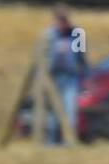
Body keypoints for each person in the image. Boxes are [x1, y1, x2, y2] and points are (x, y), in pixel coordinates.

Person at [43, 5, 88, 144]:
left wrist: (85, 75)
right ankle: (50, 143)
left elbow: (81, 57)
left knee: (70, 110)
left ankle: (68, 142)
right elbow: (42, 56)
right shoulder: (48, 34)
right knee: (53, 112)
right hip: (53, 78)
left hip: (71, 77)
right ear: (55, 19)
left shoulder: (76, 34)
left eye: (64, 19)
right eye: (60, 19)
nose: (62, 22)